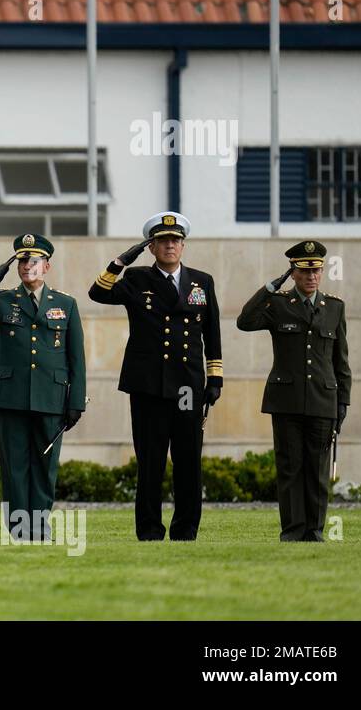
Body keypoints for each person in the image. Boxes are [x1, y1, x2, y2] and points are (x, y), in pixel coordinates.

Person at [88, 211, 222, 541]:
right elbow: (97, 292)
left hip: (188, 386)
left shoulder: (200, 282)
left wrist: (214, 378)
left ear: (183, 245)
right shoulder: (136, 279)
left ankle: (186, 529)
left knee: (189, 462)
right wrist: (120, 261)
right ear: (151, 247)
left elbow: (213, 333)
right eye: (162, 241)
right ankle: (149, 530)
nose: (170, 246)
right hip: (148, 384)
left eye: (175, 241)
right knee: (151, 462)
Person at [0, 233, 85, 540]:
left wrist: (76, 402)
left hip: (51, 397)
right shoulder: (5, 300)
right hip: (11, 397)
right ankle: (20, 530)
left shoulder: (65, 304)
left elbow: (77, 357)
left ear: (46, 266)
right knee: (14, 467)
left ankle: (40, 528)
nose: (27, 266)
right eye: (21, 261)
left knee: (46, 467)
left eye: (33, 261)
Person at [236, 241, 351, 542]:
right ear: (294, 273)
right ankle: (292, 530)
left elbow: (341, 361)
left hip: (323, 400)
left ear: (322, 272)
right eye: (304, 271)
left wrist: (344, 401)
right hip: (285, 400)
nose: (311, 276)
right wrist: (270, 287)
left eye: (316, 270)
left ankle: (314, 531)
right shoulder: (278, 304)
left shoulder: (334, 308)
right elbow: (244, 321)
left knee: (317, 471)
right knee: (290, 469)